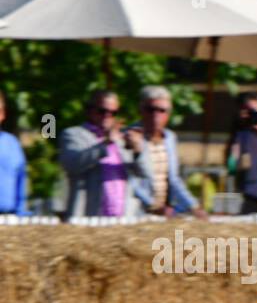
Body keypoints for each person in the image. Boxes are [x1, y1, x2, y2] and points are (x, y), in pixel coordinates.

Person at [126, 86, 206, 218]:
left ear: (168, 114)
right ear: (140, 110)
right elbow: (128, 181)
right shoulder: (129, 136)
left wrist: (193, 206)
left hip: (164, 213)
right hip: (136, 213)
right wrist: (153, 205)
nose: (155, 115)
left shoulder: (170, 138)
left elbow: (173, 179)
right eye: (150, 109)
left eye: (161, 110)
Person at [60, 90, 139, 218]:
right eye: (102, 111)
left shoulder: (121, 139)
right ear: (89, 110)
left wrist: (138, 151)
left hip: (123, 219)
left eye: (113, 113)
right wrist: (106, 144)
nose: (107, 116)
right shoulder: (73, 134)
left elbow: (143, 176)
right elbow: (71, 164)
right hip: (88, 219)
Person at [0, 90, 27, 216]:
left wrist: (20, 214)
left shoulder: (12, 144)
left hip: (9, 218)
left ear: (2, 114)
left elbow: (21, 181)